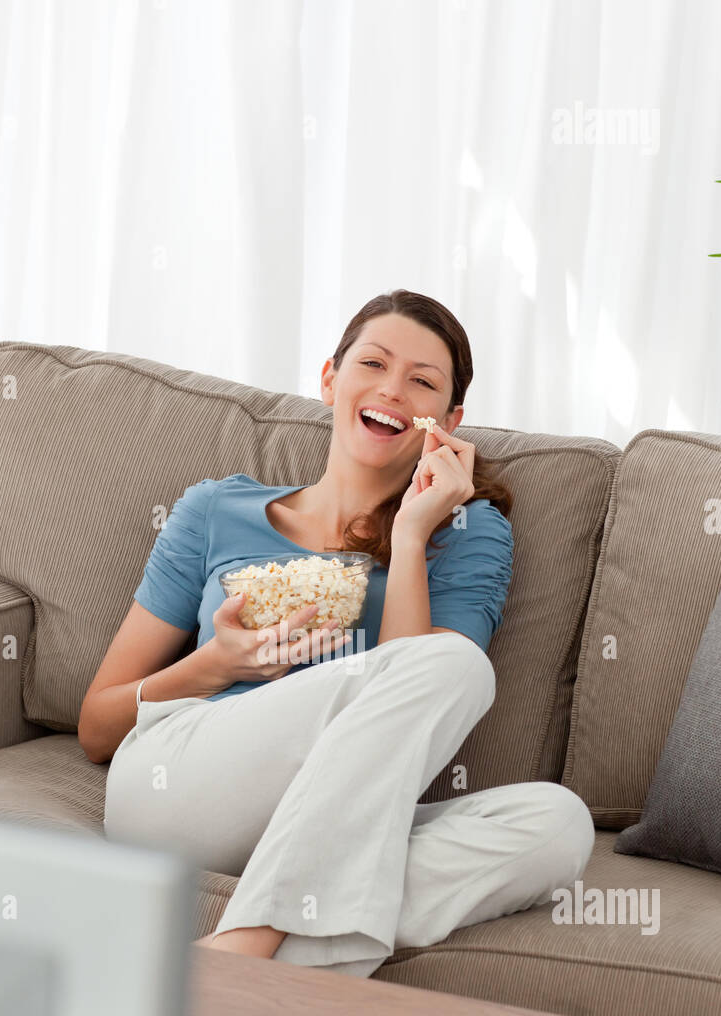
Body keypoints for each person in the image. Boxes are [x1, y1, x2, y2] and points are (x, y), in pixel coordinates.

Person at [80, 289, 594, 977]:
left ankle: (284, 945)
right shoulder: (213, 509)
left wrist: (411, 535)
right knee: (458, 665)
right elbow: (98, 726)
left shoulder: (468, 531)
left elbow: (418, 700)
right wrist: (214, 665)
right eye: (374, 364)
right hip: (179, 783)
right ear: (330, 379)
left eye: (422, 382)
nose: (391, 389)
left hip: (337, 815)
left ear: (448, 419)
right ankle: (252, 944)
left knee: (559, 826)